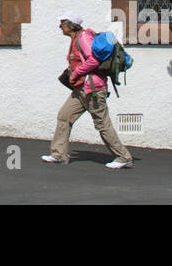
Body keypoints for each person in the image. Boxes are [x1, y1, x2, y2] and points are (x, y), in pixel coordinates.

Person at [42, 12, 134, 168]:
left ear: (71, 25)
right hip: (80, 89)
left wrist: (76, 73)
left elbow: (94, 59)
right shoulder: (76, 38)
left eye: (63, 23)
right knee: (64, 116)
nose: (60, 26)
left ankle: (123, 157)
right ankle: (58, 154)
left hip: (93, 90)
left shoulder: (83, 38)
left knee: (102, 124)